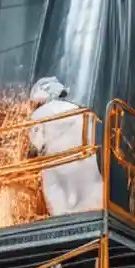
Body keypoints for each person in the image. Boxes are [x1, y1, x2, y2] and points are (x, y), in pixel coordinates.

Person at [27, 77, 103, 216]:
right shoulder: (79, 110)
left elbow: (34, 149)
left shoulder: (38, 115)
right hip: (89, 179)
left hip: (59, 179)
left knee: (60, 205)